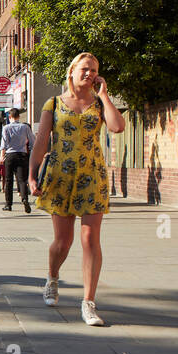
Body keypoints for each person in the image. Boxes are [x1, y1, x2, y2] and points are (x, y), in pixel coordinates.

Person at [30, 53, 124, 327]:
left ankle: (89, 303)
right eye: (85, 69)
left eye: (94, 70)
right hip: (60, 177)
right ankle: (52, 278)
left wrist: (105, 95)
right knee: (63, 242)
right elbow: (41, 142)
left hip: (92, 177)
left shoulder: (98, 103)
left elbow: (117, 127)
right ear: (71, 71)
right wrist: (33, 176)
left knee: (90, 239)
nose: (89, 74)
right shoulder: (54, 103)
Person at [0, 107, 35, 213]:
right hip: (22, 155)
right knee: (22, 179)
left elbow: (3, 144)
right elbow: (32, 141)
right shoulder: (25, 127)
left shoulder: (6, 128)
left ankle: (8, 204)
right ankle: (24, 199)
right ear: (19, 116)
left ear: (10, 117)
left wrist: (1, 156)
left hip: (10, 155)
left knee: (9, 180)